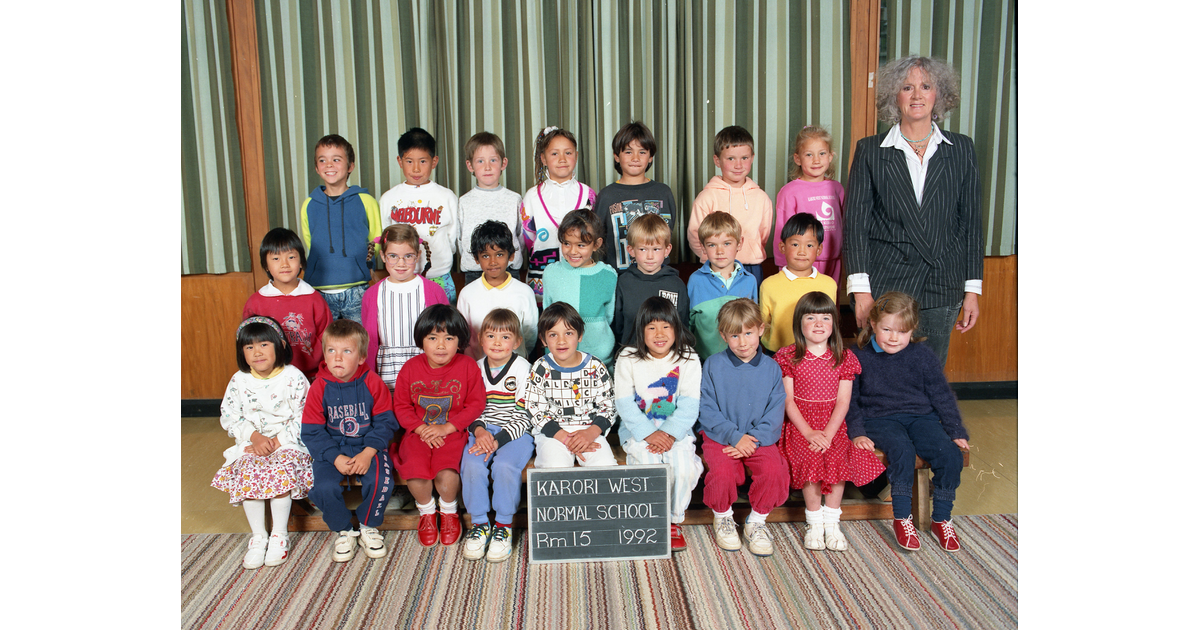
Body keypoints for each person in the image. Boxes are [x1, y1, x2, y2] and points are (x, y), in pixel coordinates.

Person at [843, 55, 983, 368]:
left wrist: (972, 290)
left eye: (926, 86)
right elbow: (856, 226)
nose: (917, 95)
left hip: (942, 281)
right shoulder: (870, 150)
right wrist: (861, 292)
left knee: (928, 375)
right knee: (883, 376)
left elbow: (972, 222)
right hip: (887, 282)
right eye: (907, 87)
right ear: (895, 96)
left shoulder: (962, 148)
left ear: (940, 95)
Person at [845, 292, 970, 552]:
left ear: (912, 330)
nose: (893, 337)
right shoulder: (858, 355)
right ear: (872, 325)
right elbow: (850, 400)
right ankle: (902, 518)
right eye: (886, 329)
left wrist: (955, 429)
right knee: (902, 451)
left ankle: (942, 518)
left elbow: (941, 394)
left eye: (901, 332)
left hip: (919, 417)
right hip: (878, 419)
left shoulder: (921, 355)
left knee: (949, 454)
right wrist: (856, 432)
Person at [773, 292, 885, 552]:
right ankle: (814, 522)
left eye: (825, 317)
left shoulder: (843, 357)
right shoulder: (789, 356)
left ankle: (832, 521)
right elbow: (788, 402)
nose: (818, 323)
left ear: (834, 323)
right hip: (801, 424)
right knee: (810, 458)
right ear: (799, 323)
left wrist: (829, 433)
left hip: (833, 424)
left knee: (836, 458)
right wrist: (810, 433)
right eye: (810, 317)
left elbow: (843, 402)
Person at [211, 316, 313, 570]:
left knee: (280, 468)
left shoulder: (293, 377)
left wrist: (278, 440)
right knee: (248, 469)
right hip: (252, 442)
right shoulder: (239, 380)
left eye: (264, 344)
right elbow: (230, 415)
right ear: (241, 352)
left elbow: (305, 414)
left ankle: (279, 534)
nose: (257, 352)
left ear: (279, 345)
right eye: (249, 347)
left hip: (288, 441)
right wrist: (255, 438)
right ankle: (259, 536)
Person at [696, 299, 789, 556]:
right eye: (735, 335)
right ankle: (723, 516)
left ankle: (756, 522)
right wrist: (735, 437)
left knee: (774, 471)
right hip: (721, 436)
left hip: (759, 438)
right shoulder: (713, 365)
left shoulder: (772, 368)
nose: (743, 342)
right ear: (724, 335)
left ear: (761, 329)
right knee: (723, 472)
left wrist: (753, 439)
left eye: (748, 333)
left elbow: (775, 411)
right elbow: (707, 409)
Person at [301, 320, 399, 563]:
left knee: (382, 480)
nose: (337, 358)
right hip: (332, 449)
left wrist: (368, 453)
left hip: (368, 445)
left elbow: (386, 423)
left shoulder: (373, 382)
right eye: (331, 351)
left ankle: (368, 525)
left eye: (347, 351)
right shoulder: (318, 387)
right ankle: (344, 529)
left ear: (362, 356)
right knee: (321, 488)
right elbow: (312, 431)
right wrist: (334, 457)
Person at [392, 304, 486, 547]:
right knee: (415, 470)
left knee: (446, 472)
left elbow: (475, 405)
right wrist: (420, 428)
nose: (441, 345)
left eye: (449, 338)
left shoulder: (467, 367)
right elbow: (401, 406)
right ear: (422, 341)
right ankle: (426, 513)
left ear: (460, 341)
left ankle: (448, 512)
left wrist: (448, 428)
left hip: (452, 432)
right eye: (433, 338)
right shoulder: (410, 368)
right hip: (418, 433)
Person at [614, 297, 702, 552]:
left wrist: (669, 434)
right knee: (651, 468)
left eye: (666, 326)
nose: (659, 334)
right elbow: (624, 404)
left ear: (677, 328)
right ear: (641, 330)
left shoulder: (688, 359)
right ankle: (653, 519)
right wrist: (650, 433)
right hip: (639, 431)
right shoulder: (628, 358)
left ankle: (674, 520)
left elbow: (689, 406)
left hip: (677, 431)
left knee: (683, 469)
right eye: (651, 327)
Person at [460, 309, 534, 562]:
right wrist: (480, 432)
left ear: (517, 341)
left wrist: (497, 441)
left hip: (516, 433)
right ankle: (479, 524)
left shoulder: (524, 368)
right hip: (482, 431)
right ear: (480, 339)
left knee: (503, 466)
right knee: (472, 464)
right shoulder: (474, 368)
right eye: (491, 336)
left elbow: (525, 413)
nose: (498, 343)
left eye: (505, 337)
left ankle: (503, 525)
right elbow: (470, 408)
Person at [300, 134, 382, 323]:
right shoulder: (309, 204)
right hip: (320, 289)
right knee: (326, 344)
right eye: (323, 160)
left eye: (336, 159)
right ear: (316, 168)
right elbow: (310, 241)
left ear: (350, 166)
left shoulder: (366, 201)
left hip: (358, 288)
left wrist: (364, 264)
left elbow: (376, 239)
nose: (329, 165)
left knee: (360, 342)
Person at [526, 302, 618, 468]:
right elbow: (535, 408)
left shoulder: (595, 366)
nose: (561, 341)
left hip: (590, 431)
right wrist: (566, 438)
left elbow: (609, 407)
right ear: (543, 339)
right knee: (556, 465)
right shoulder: (540, 367)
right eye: (553, 335)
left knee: (604, 465)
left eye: (568, 333)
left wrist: (590, 433)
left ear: (580, 335)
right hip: (553, 433)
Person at [360, 224, 448, 391]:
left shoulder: (433, 291)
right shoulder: (372, 295)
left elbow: (446, 332)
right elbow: (369, 340)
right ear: (383, 256)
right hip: (386, 368)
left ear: (418, 255)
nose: (401, 263)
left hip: (425, 364)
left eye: (408, 256)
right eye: (393, 256)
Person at [379, 126, 460, 302]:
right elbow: (387, 238)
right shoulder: (389, 198)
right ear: (399, 161)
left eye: (422, 161)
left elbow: (453, 238)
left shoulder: (446, 196)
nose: (416, 169)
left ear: (434, 161)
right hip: (402, 277)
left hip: (439, 275)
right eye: (409, 161)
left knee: (443, 325)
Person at [685, 125, 773, 285]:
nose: (738, 165)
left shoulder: (761, 197)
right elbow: (695, 234)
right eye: (731, 158)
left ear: (752, 158)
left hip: (751, 267)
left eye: (744, 158)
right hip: (715, 268)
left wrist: (750, 251)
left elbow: (763, 234)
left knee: (749, 309)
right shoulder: (707, 197)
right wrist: (714, 258)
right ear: (717, 160)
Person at [242, 227, 331, 380]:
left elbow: (328, 339)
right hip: (270, 377)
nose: (284, 264)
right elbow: (249, 342)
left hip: (311, 376)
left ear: (301, 262)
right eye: (276, 259)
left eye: (291, 257)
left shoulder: (314, 299)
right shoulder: (256, 302)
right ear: (265, 265)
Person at [520, 126, 597, 300]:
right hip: (542, 280)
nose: (562, 159)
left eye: (568, 153)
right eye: (554, 153)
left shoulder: (588, 195)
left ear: (576, 156)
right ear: (543, 158)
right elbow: (528, 239)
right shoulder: (532, 196)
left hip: (581, 279)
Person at [594, 121, 678, 271]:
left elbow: (668, 234)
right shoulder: (607, 195)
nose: (635, 158)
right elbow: (599, 240)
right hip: (619, 280)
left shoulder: (663, 192)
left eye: (642, 152)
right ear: (616, 156)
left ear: (651, 156)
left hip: (658, 278)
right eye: (628, 151)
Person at [541, 209, 618, 366]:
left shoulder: (608, 275)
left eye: (581, 245)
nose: (573, 251)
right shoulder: (551, 273)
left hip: (599, 359)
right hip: (559, 360)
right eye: (566, 243)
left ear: (596, 244)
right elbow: (547, 315)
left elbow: (609, 317)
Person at [456, 221, 539, 360]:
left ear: (511, 256)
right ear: (476, 258)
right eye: (485, 256)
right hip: (477, 369)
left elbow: (530, 334)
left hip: (514, 368)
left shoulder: (524, 292)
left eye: (499, 254)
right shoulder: (467, 293)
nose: (493, 262)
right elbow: (463, 335)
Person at [774, 125, 844, 283]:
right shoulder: (789, 192)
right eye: (809, 155)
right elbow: (781, 229)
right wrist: (783, 263)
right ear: (797, 158)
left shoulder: (837, 189)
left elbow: (845, 224)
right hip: (801, 262)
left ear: (830, 156)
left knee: (829, 303)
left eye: (822, 153)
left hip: (833, 259)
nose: (816, 160)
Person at [760, 212, 837, 353]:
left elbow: (830, 322)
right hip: (777, 354)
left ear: (819, 249)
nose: (802, 251)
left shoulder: (829, 284)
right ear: (782, 247)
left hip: (817, 355)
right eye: (795, 244)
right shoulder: (769, 284)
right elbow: (763, 324)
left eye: (809, 245)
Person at [686, 211, 759, 361]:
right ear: (703, 247)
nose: (720, 251)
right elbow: (688, 325)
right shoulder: (695, 280)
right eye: (712, 245)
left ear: (739, 243)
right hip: (704, 362)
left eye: (727, 243)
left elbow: (754, 324)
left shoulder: (750, 280)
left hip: (741, 361)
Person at [611, 213, 689, 349]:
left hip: (667, 358)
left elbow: (682, 326)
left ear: (667, 250)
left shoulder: (676, 284)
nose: (650, 256)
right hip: (631, 357)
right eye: (643, 249)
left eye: (656, 249)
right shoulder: (623, 282)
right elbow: (617, 326)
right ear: (631, 250)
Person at [458, 132, 524, 287]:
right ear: (470, 166)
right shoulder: (464, 201)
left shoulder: (514, 199)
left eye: (493, 160)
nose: (487, 167)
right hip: (474, 272)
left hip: (509, 271)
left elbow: (521, 236)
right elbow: (460, 239)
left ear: (503, 163)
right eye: (480, 161)